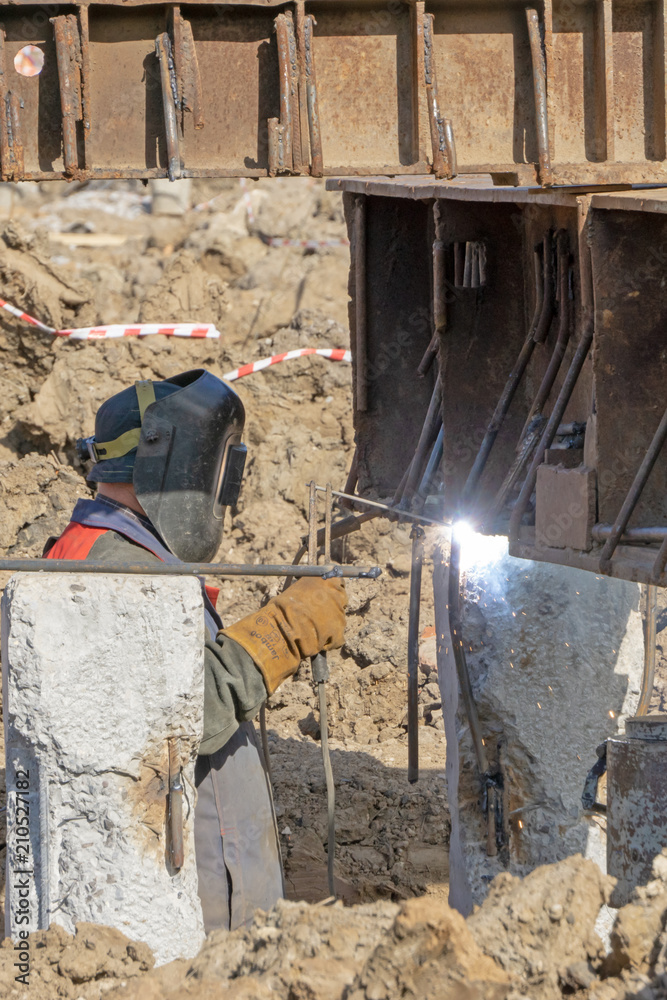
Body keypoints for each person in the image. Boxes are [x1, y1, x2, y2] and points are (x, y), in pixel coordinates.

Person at [43, 368, 347, 932]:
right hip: (202, 877)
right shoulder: (117, 568)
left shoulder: (116, 549)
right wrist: (285, 632)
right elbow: (188, 712)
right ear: (168, 459)